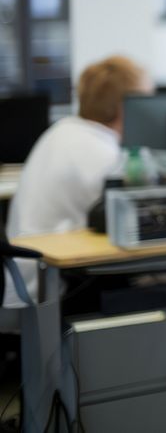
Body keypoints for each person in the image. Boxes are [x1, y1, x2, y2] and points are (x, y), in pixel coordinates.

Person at [3, 55, 152, 307]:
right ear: (126, 107)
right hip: (50, 290)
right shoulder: (101, 153)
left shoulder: (63, 132)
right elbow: (146, 215)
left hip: (23, 279)